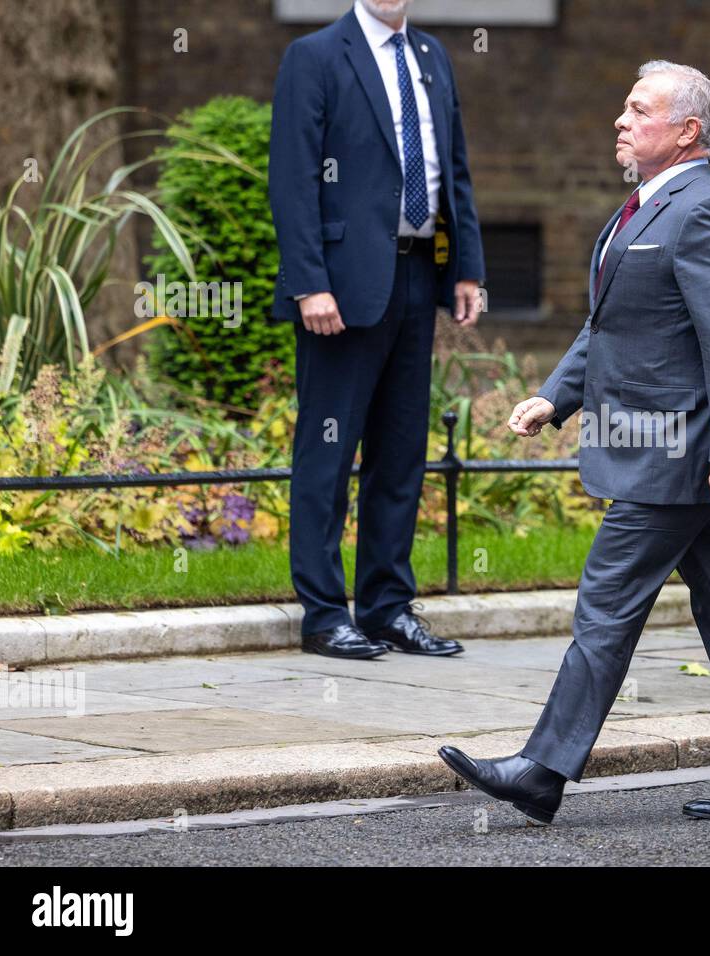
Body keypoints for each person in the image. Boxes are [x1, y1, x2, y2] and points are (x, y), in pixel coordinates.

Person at [438, 61, 710, 824]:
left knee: (604, 608)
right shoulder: (649, 207)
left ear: (686, 131)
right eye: (623, 107)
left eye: (638, 109)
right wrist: (554, 395)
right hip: (664, 453)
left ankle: (541, 770)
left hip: (675, 456)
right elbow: (612, 326)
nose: (621, 119)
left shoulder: (703, 210)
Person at [268, 0, 484, 660]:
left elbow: (454, 172)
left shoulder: (431, 58)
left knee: (400, 455)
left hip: (420, 278)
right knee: (327, 455)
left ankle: (388, 607)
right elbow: (292, 178)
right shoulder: (314, 56)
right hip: (341, 286)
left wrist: (467, 269)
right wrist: (310, 282)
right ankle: (325, 614)